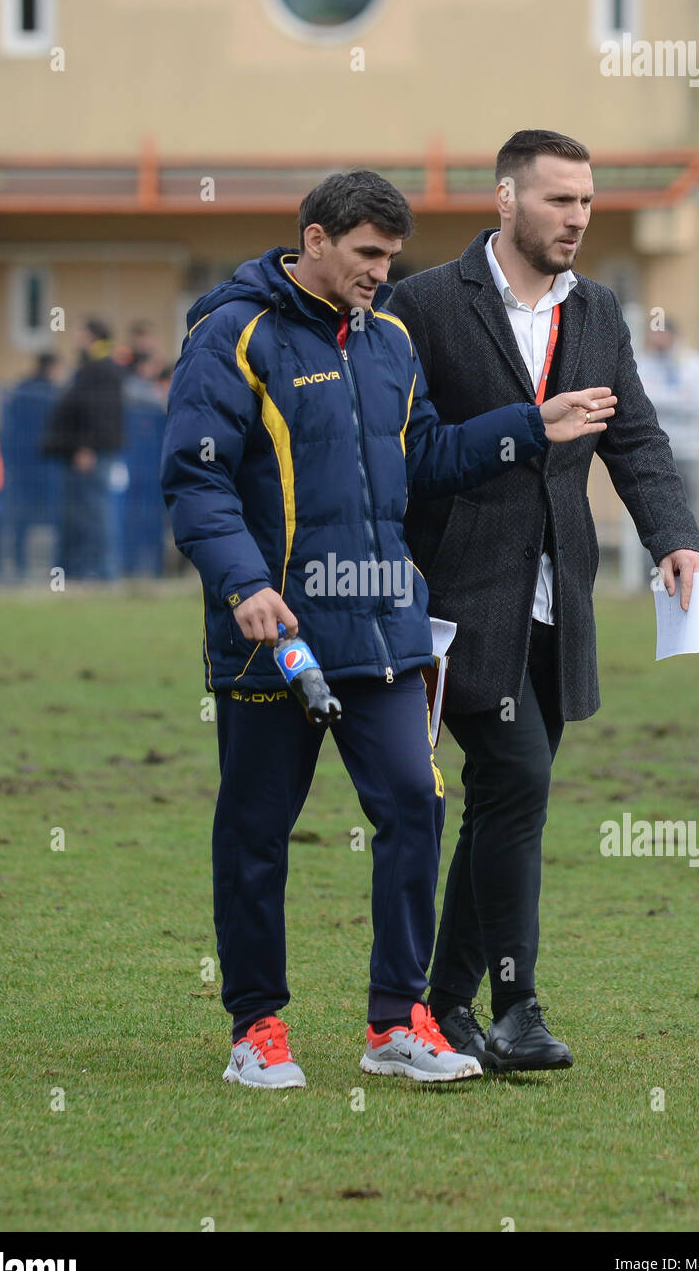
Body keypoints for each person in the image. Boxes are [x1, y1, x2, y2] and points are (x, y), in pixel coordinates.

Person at [160, 168, 616, 1089]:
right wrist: (244, 584)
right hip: (271, 638)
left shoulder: (390, 339)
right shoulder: (230, 334)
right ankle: (256, 1027)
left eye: (390, 257)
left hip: (382, 635)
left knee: (415, 805)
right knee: (256, 830)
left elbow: (425, 459)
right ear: (315, 240)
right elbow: (196, 478)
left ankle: (395, 1019)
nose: (381, 272)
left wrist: (531, 425)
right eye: (367, 255)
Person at [386, 130, 699, 1073]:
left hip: (555, 598)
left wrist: (674, 537)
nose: (577, 218)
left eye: (586, 202)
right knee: (517, 778)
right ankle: (516, 1004)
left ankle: (442, 1005)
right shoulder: (425, 305)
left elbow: (637, 442)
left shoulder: (598, 310)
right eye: (559, 200)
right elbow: (410, 445)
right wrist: (522, 432)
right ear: (505, 199)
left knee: (500, 800)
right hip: (456, 595)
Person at [41, 318, 124, 580]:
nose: (75, 338)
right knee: (84, 514)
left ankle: (102, 572)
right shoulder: (94, 367)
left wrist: (87, 445)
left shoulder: (100, 368)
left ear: (91, 336)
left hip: (91, 452)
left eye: (79, 333)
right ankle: (87, 570)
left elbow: (98, 411)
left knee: (95, 513)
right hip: (84, 451)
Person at [638, 321, 699, 531]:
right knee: (653, 513)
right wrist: (680, 397)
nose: (654, 340)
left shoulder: (698, 365)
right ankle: (654, 564)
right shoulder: (643, 364)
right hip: (654, 451)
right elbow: (639, 402)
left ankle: (697, 562)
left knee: (692, 512)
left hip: (689, 450)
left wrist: (659, 400)